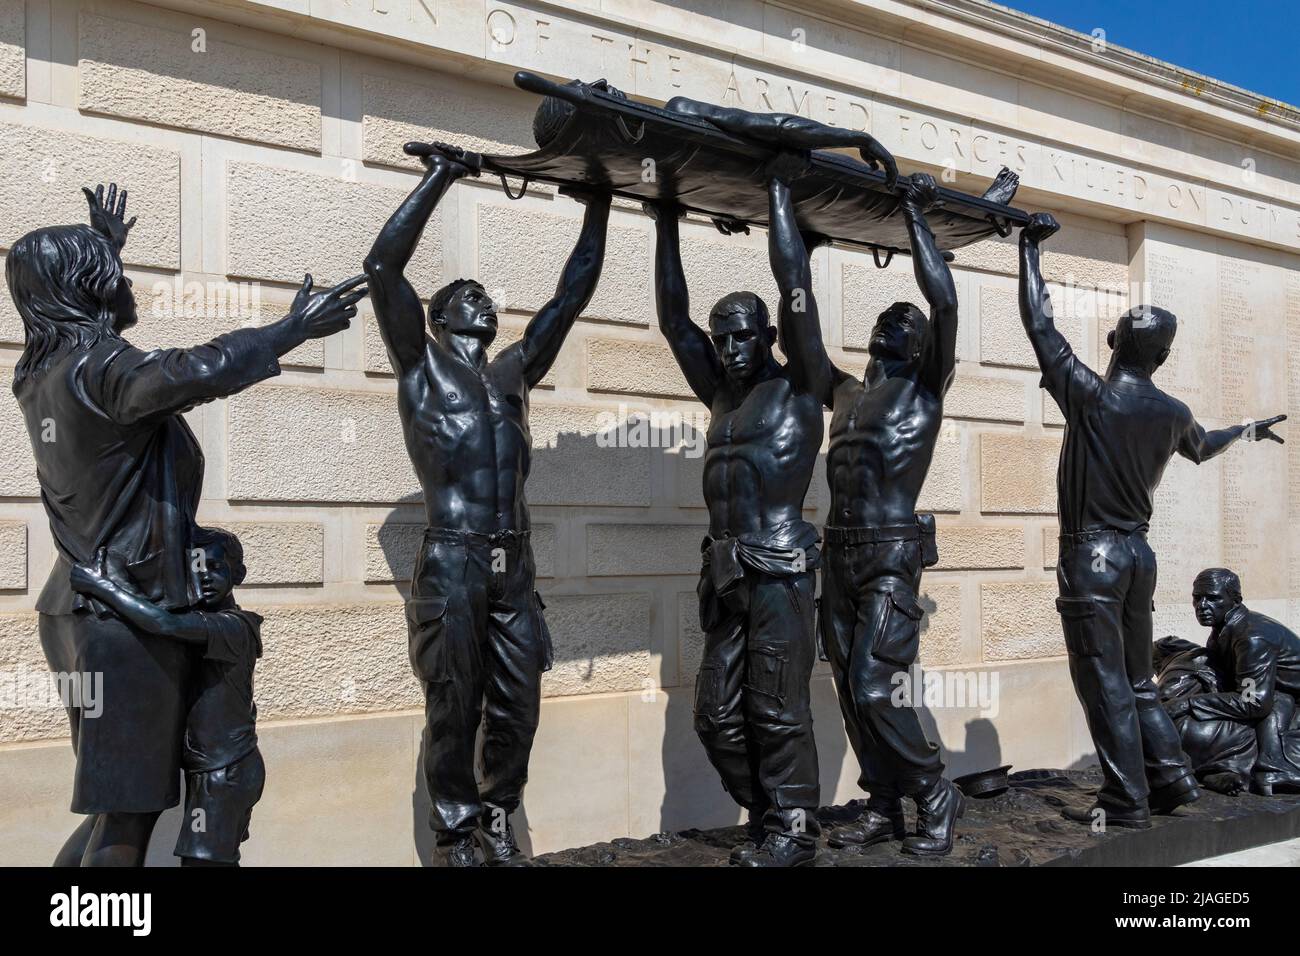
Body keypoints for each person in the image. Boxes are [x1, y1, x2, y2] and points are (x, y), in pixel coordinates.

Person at [7, 183, 363, 866]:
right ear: (93, 289)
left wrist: (100, 251)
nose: (130, 284)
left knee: (120, 800)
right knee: (128, 819)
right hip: (126, 620)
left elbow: (111, 354)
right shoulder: (102, 369)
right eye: (117, 277)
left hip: (85, 605)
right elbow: (192, 372)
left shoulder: (44, 371)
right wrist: (292, 330)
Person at [364, 142, 610, 866]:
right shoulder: (422, 367)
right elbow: (383, 268)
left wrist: (598, 198)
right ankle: (454, 831)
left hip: (514, 566)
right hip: (453, 560)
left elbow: (573, 294)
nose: (482, 299)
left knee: (517, 701)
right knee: (453, 703)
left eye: (485, 294)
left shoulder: (512, 375)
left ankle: (499, 811)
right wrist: (441, 175)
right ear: (438, 317)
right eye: (465, 294)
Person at [1018, 211, 1286, 829]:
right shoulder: (1171, 412)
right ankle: (1170, 780)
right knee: (1138, 680)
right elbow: (1203, 445)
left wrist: (1029, 247)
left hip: (1093, 558)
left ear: (1113, 341)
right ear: (1163, 357)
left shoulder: (1091, 394)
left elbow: (1038, 322)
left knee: (1103, 682)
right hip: (1140, 559)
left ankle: (1124, 800)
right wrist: (1245, 429)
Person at [776, 167, 967, 856]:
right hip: (840, 550)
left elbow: (943, 305)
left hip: (889, 552)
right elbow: (798, 325)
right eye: (890, 315)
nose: (898, 318)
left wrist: (914, 215)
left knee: (875, 685)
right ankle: (885, 804)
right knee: (852, 694)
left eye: (905, 320)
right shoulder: (849, 393)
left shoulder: (924, 389)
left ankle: (933, 790)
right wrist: (797, 237)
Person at [646, 152, 825, 867]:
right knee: (716, 715)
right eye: (721, 337)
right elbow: (670, 317)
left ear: (770, 336)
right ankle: (777, 812)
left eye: (742, 335)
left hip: (780, 566)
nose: (727, 347)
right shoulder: (720, 392)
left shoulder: (801, 387)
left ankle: (793, 827)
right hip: (723, 572)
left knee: (777, 707)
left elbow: (796, 286)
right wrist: (664, 213)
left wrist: (779, 195)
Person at [70, 529, 265, 866]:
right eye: (194, 568)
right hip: (210, 772)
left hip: (225, 773)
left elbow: (162, 623)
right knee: (203, 859)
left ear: (239, 573)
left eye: (214, 567)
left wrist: (102, 586)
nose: (203, 577)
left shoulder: (233, 627)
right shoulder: (203, 622)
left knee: (203, 861)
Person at [1161, 568, 1300, 796]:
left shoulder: (1252, 637)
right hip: (1273, 695)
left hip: (1288, 702)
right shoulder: (1223, 630)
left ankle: (1274, 767)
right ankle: (1218, 770)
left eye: (1213, 598)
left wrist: (1188, 703)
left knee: (1278, 700)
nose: (1202, 605)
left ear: (1235, 600)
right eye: (1197, 598)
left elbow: (1253, 703)